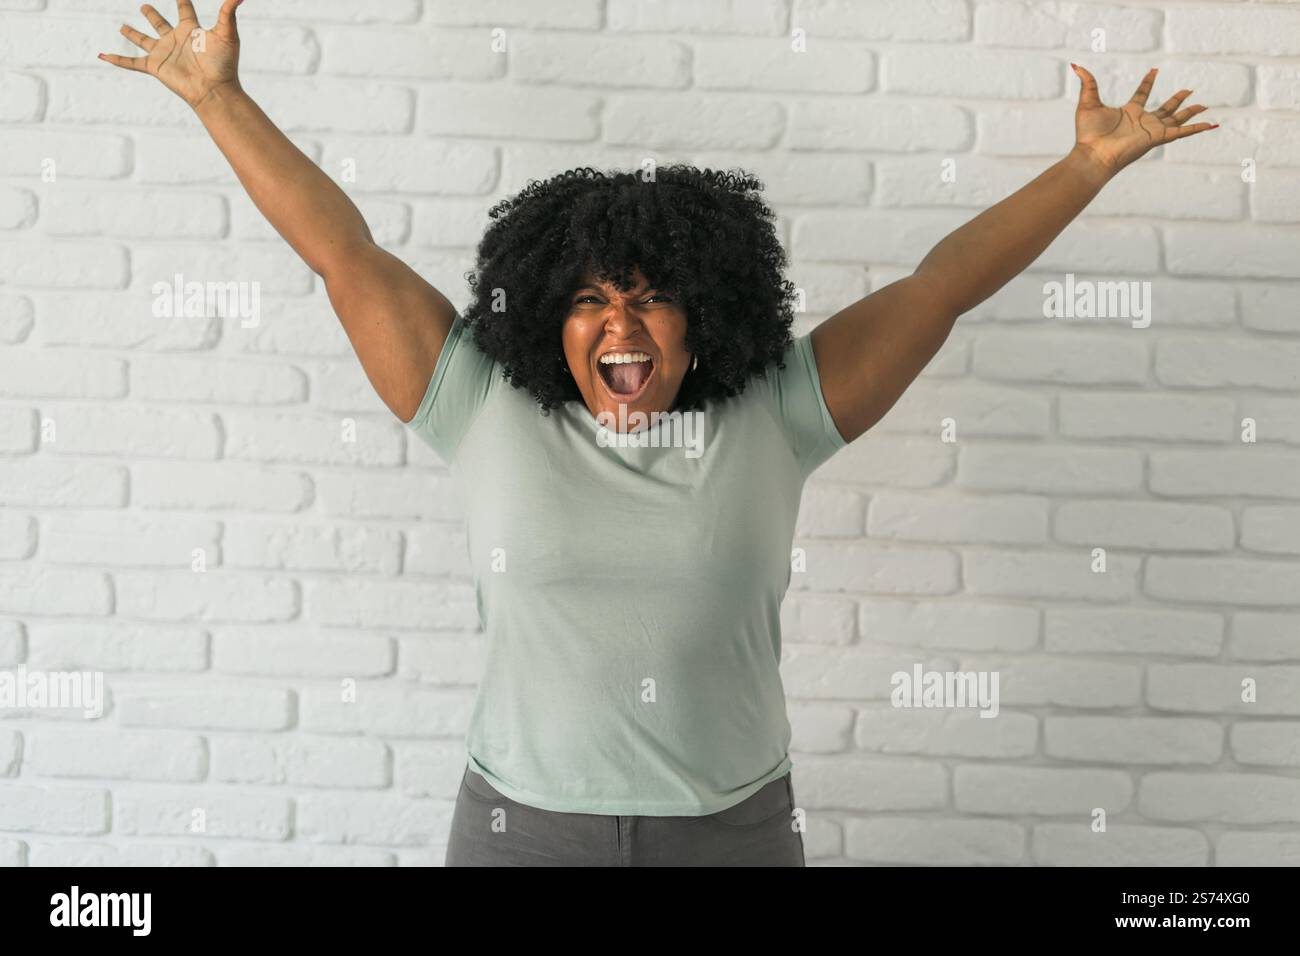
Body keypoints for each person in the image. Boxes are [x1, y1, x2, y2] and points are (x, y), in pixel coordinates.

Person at [100, 0, 1217, 866]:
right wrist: (218, 101)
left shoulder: (773, 413)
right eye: (589, 299)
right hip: (519, 836)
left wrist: (1082, 167)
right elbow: (342, 252)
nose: (620, 323)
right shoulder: (480, 402)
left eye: (650, 297)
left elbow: (938, 287)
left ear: (704, 316)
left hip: (727, 836)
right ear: (548, 316)